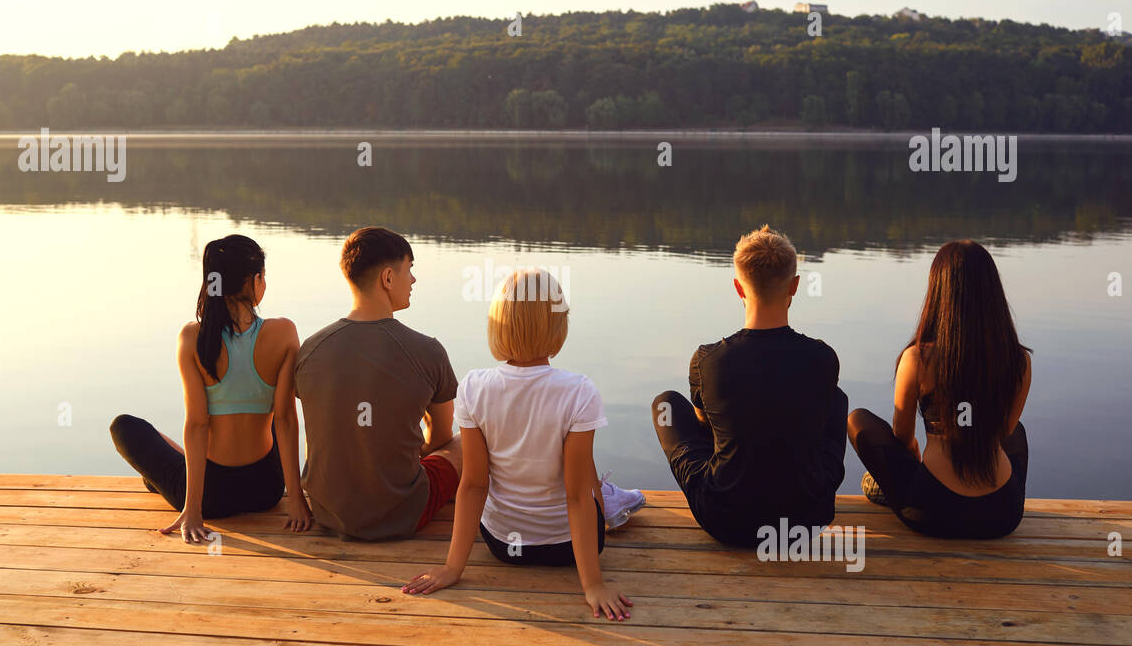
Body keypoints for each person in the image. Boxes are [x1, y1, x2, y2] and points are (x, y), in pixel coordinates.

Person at [403, 268, 643, 621]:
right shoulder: (579, 391)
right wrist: (593, 585)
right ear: (558, 327)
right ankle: (606, 498)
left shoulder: (474, 388)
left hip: (503, 545)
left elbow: (472, 484)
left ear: (498, 325)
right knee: (580, 463)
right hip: (567, 549)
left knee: (568, 457)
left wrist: (452, 568)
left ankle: (604, 494)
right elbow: (576, 496)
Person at [651, 225, 847, 547]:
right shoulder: (824, 357)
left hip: (726, 520)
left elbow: (707, 429)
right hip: (807, 520)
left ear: (738, 288)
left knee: (666, 404)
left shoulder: (707, 359)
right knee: (835, 399)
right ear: (795, 286)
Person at [110, 234, 310, 543]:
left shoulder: (192, 337)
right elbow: (285, 419)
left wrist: (193, 510)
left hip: (213, 498)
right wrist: (295, 500)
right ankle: (161, 475)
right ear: (255, 280)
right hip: (267, 488)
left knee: (125, 427)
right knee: (269, 412)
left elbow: (198, 424)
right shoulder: (284, 332)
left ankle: (158, 478)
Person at [847, 240, 1032, 539]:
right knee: (1018, 433)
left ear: (938, 292)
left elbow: (903, 437)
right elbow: (1004, 432)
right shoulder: (1019, 361)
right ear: (993, 294)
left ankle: (888, 486)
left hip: (933, 510)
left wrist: (908, 462)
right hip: (1003, 514)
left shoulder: (918, 359)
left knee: (857, 421)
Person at [294, 226, 461, 540]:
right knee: (465, 442)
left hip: (327, 511)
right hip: (403, 514)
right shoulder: (428, 351)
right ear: (387, 278)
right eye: (409, 270)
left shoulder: (311, 349)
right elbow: (440, 436)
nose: (413, 280)